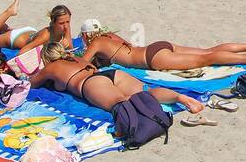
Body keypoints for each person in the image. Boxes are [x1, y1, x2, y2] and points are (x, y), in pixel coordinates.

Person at [31, 43, 205, 115]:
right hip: (110, 74)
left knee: (120, 102)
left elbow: (31, 83)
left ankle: (180, 99)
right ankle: (179, 97)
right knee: (146, 91)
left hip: (91, 84)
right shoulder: (76, 58)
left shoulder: (51, 67)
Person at [78, 31, 246, 70]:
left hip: (153, 59)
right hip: (157, 46)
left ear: (86, 36)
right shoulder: (111, 36)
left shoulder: (96, 44)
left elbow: (83, 63)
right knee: (206, 51)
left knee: (207, 59)